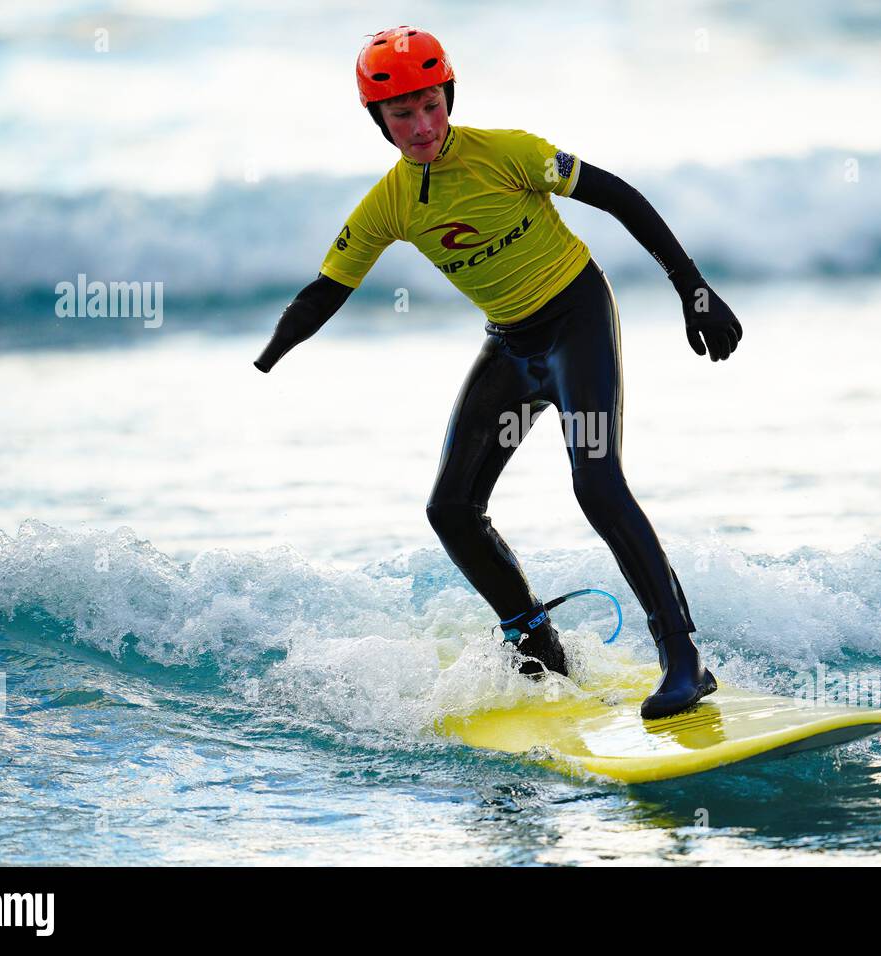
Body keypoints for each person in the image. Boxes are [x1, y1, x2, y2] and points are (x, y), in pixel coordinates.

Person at [254, 25, 743, 719]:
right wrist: (268, 358)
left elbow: (620, 197)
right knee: (450, 509)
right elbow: (326, 290)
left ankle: (684, 659)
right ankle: (538, 649)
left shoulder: (509, 153)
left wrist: (691, 287)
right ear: (378, 120)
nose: (422, 126)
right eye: (402, 114)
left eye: (432, 104)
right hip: (513, 348)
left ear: (447, 94)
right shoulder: (389, 205)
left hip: (577, 321)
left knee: (597, 482)